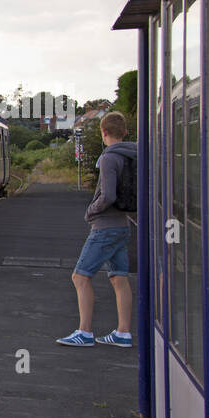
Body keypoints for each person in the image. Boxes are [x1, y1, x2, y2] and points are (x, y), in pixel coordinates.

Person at [57, 113, 138, 347]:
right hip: (123, 225)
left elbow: (109, 195)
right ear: (124, 132)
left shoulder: (109, 158)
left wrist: (92, 210)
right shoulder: (133, 154)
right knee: (119, 278)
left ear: (103, 133)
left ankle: (84, 332)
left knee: (80, 277)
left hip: (105, 227)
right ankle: (123, 333)